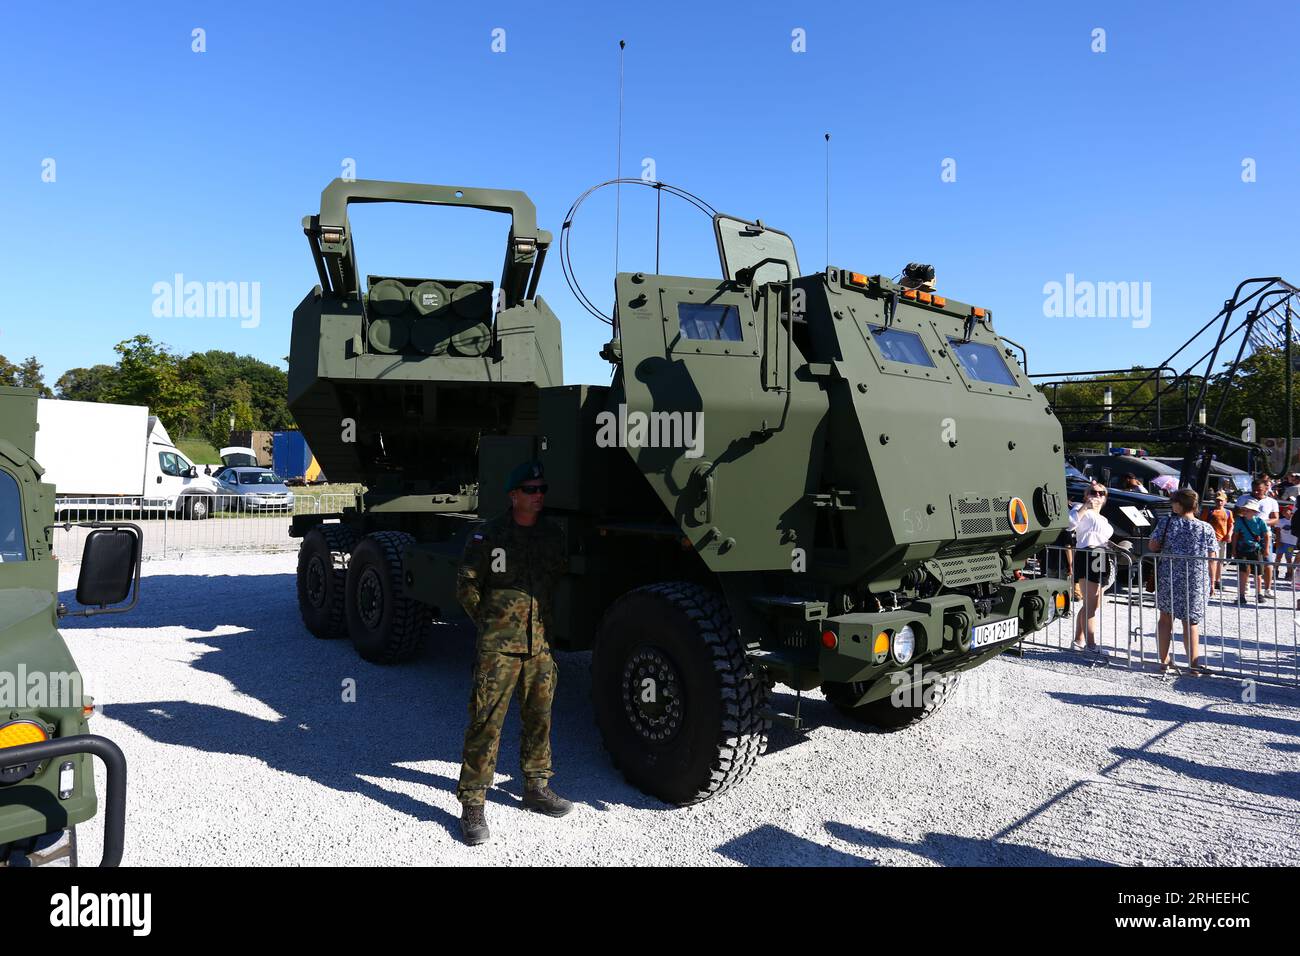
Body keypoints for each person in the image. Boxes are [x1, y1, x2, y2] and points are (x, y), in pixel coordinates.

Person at [455, 460, 571, 845]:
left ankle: (536, 787)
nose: (539, 495)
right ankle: (473, 804)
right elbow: (467, 585)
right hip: (499, 649)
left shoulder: (552, 536)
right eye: (531, 489)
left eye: (542, 489)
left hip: (539, 646)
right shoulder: (488, 536)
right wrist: (489, 625)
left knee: (540, 717)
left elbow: (555, 581)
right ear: (513, 495)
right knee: (486, 723)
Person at [1147, 488, 1217, 677]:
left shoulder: (1167, 523)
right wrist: (1213, 582)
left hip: (1169, 575)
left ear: (1179, 504)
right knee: (1191, 622)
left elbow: (1152, 546)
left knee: (1165, 618)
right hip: (1196, 578)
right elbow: (1212, 557)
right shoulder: (1206, 527)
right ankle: (1194, 665)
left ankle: (1164, 661)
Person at [1070, 480, 1113, 656]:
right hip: (1087, 555)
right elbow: (1069, 524)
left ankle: (1079, 640)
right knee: (1091, 603)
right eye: (1093, 492)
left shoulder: (1102, 518)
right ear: (1086, 494)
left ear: (1105, 498)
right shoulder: (1081, 508)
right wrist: (1084, 507)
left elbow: (1100, 537)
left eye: (1101, 493)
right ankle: (1091, 645)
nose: (1097, 495)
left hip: (1101, 555)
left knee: (1093, 603)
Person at [1237, 479, 1278, 598]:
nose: (1256, 492)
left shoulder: (1272, 502)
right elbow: (1236, 513)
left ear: (1265, 489)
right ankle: (1246, 587)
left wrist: (1262, 523)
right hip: (1246, 535)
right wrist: (1248, 519)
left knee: (1267, 561)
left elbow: (1275, 518)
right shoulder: (1243, 498)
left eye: (1259, 490)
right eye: (1254, 489)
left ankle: (1268, 588)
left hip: (1265, 535)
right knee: (1247, 562)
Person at [1233, 499, 1267, 604]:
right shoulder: (1239, 521)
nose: (1245, 511)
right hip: (1242, 549)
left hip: (1256, 549)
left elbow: (1266, 535)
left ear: (1254, 511)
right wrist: (1233, 549)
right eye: (1245, 509)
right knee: (1243, 572)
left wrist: (1266, 549)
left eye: (1248, 510)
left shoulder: (1260, 522)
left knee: (1258, 573)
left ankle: (1259, 594)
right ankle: (1242, 595)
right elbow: (1235, 535)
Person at [1206, 490, 1233, 591]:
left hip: (1222, 539)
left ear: (1225, 501)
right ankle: (1211, 580)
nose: (1219, 502)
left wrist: (1229, 534)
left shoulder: (1228, 512)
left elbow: (1231, 524)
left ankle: (1218, 580)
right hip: (1211, 539)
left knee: (1220, 560)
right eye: (1217, 500)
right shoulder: (1209, 511)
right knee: (1212, 560)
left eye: (1221, 500)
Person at [1276, 501, 1296, 582]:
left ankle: (1289, 573)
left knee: (1289, 558)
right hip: (1282, 542)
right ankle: (1275, 572)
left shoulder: (1295, 521)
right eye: (1282, 510)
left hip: (1291, 543)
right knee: (1278, 557)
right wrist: (1278, 541)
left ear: (1290, 511)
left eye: (1286, 510)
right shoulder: (1280, 521)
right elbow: (1277, 531)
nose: (1283, 511)